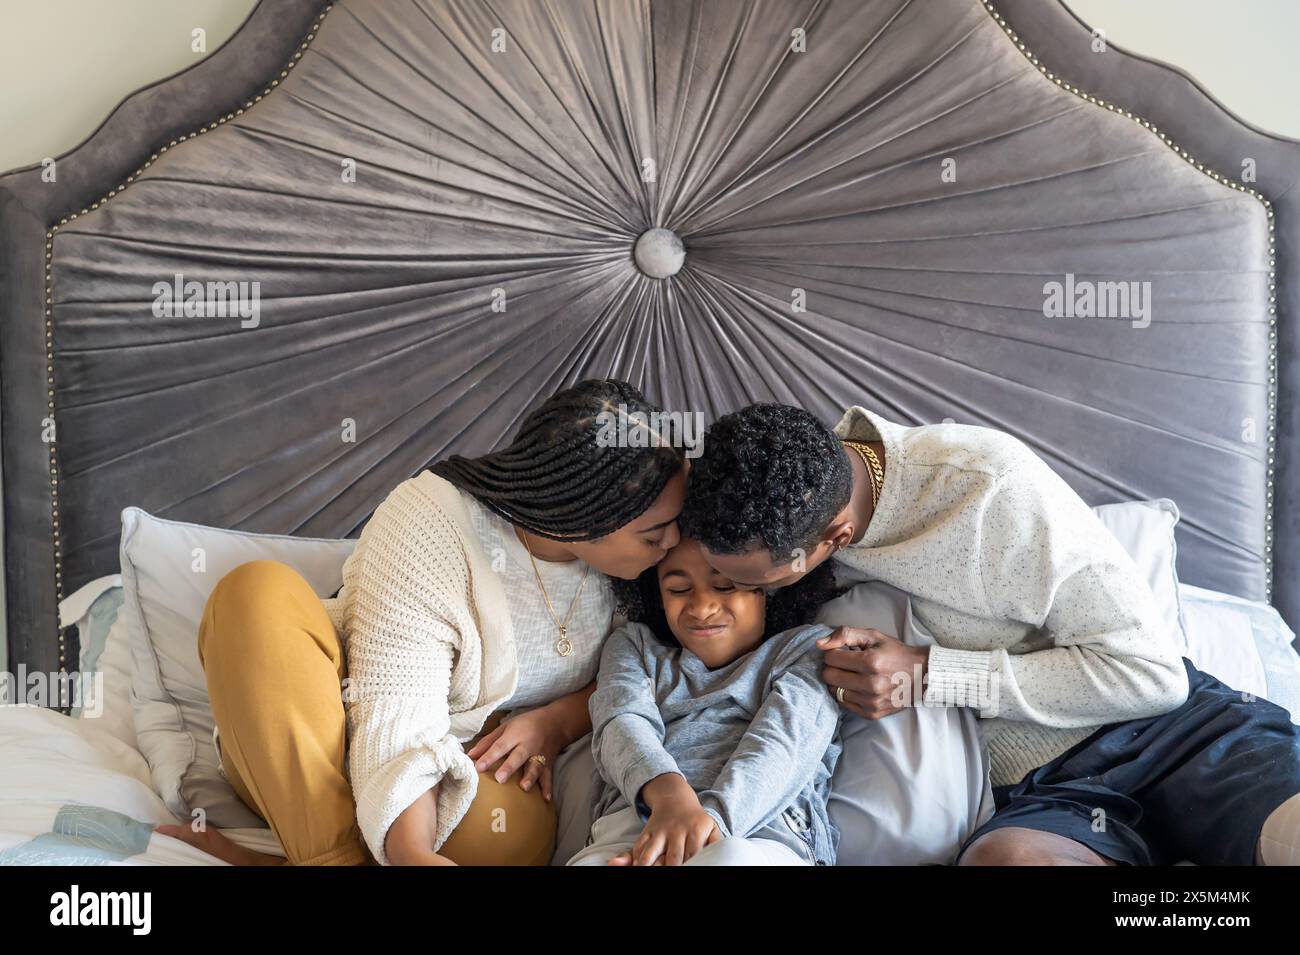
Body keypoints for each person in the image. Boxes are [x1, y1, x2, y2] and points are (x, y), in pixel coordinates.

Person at [679, 402, 1300, 866]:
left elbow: (1151, 675)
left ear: (835, 540)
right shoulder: (758, 499)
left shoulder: (988, 491)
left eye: (759, 583)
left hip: (1174, 733)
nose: (743, 595)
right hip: (1042, 792)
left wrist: (929, 674)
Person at [157, 379, 686, 866]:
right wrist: (411, 855)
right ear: (583, 514)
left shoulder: (643, 572)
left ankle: (290, 859)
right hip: (320, 738)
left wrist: (556, 721)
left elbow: (637, 671)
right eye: (655, 531)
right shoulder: (433, 520)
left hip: (458, 765)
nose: (674, 542)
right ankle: (332, 856)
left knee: (511, 829)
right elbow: (396, 708)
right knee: (255, 595)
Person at [569, 538, 842, 866]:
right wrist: (669, 797)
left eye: (725, 585)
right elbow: (621, 720)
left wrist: (707, 829)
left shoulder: (808, 648)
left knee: (730, 859)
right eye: (679, 589)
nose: (701, 607)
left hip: (764, 833)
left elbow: (785, 744)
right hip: (634, 830)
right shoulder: (633, 646)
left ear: (770, 584)